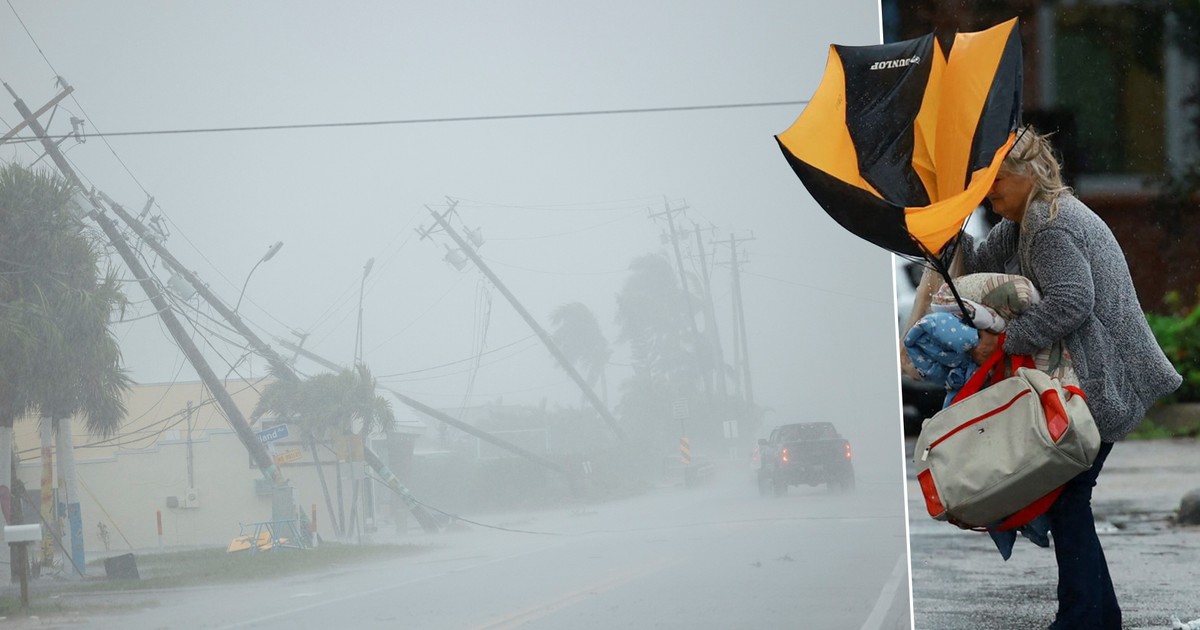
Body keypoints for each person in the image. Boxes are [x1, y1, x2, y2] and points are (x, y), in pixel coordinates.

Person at [959, 127, 1182, 629]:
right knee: (1068, 498)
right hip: (1092, 374)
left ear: (1029, 174)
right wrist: (943, 229)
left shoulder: (1050, 225)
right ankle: (1095, 616)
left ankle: (1086, 618)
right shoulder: (1021, 223)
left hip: (1106, 376)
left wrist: (1004, 339)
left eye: (998, 180)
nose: (989, 191)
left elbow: (1072, 301)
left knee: (1067, 497)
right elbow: (976, 263)